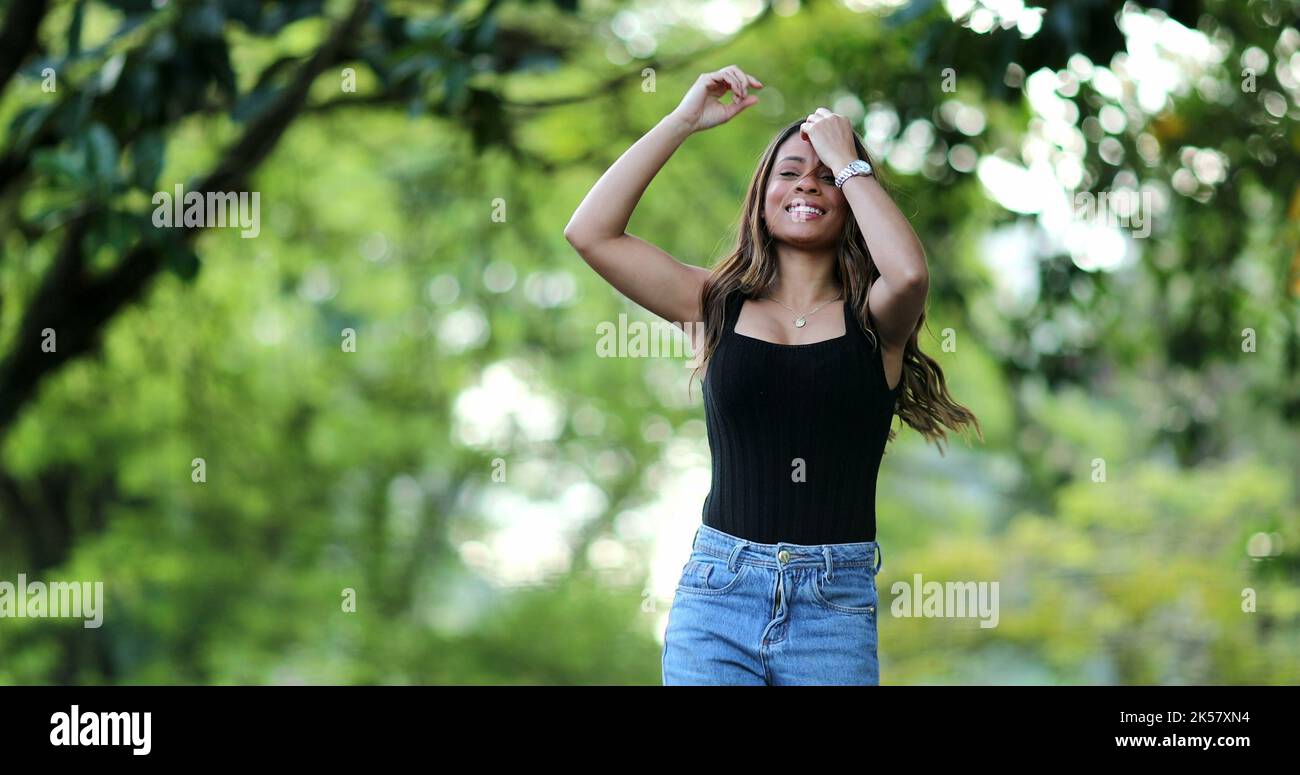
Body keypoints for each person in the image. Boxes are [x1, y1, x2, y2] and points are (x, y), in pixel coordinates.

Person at [564, 65, 982, 685]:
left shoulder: (877, 320)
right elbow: (590, 233)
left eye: (826, 176)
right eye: (789, 172)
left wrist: (849, 162)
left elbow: (911, 274)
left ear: (851, 199)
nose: (807, 183)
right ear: (762, 198)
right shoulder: (713, 304)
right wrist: (683, 120)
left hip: (832, 611)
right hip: (718, 597)